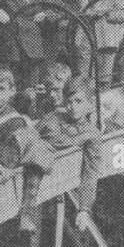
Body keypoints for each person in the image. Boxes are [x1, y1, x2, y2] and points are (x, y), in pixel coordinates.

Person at [0, 66, 55, 231]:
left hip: (1, 167)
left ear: (11, 90)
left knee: (28, 143)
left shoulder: (13, 119)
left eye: (1, 89)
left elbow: (11, 155)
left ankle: (27, 212)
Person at [38, 78, 102, 228]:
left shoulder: (92, 134)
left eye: (78, 102)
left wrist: (84, 208)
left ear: (90, 104)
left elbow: (90, 170)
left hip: (48, 174)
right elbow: (34, 136)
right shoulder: (55, 115)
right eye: (69, 102)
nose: (73, 107)